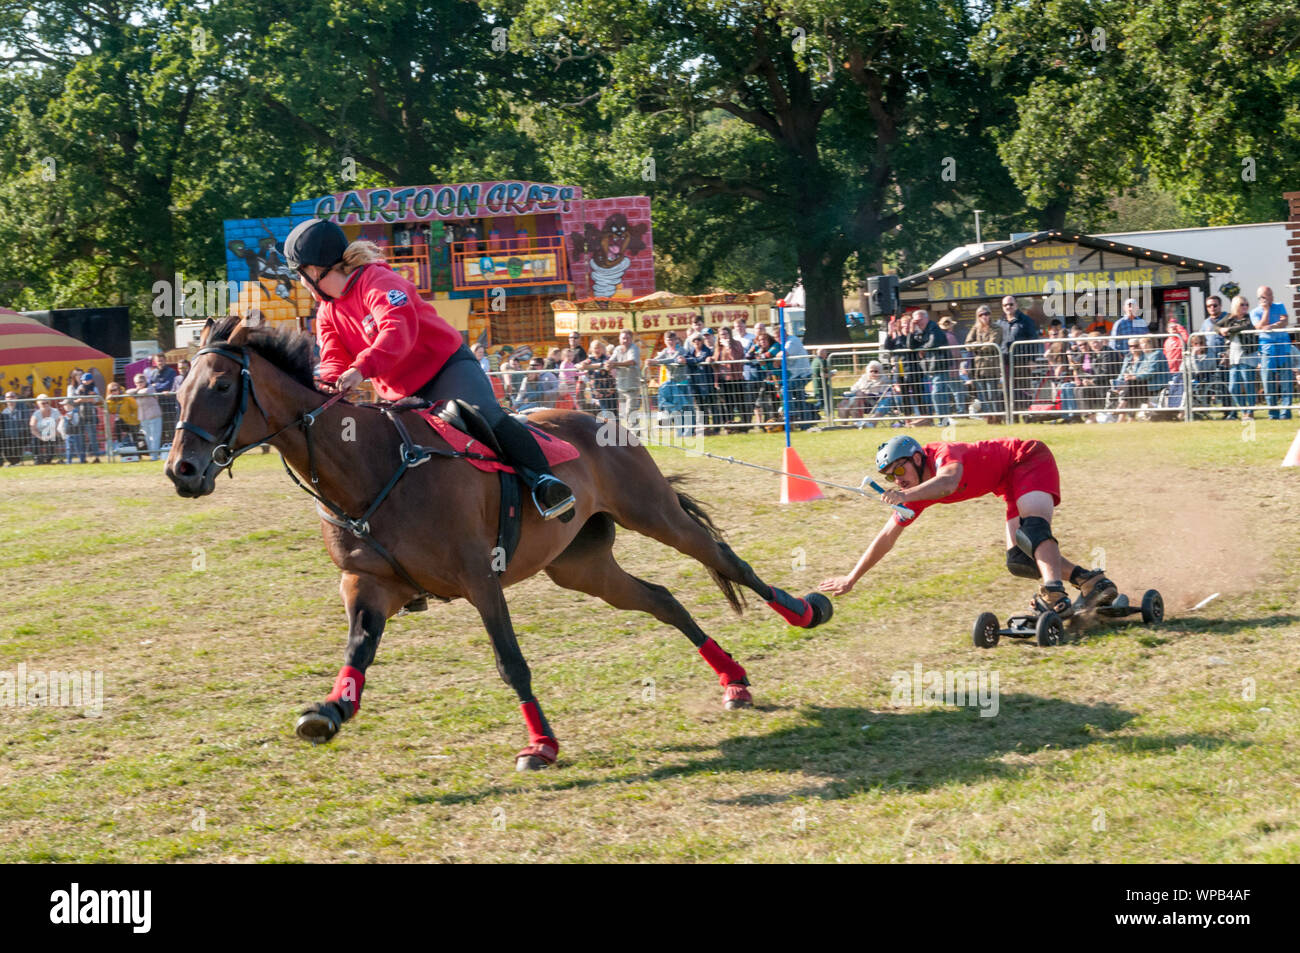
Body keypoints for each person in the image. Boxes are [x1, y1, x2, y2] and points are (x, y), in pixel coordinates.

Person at [285, 218, 575, 519]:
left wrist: (360, 368)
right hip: (400, 392)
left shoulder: (377, 280)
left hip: (445, 368)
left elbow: (397, 331)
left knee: (484, 415)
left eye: (299, 275)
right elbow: (332, 358)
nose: (302, 283)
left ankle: (546, 482)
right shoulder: (327, 312)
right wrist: (326, 384)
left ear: (313, 270)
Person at [817, 435, 1117, 619]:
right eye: (888, 476)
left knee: (1034, 531)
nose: (896, 479)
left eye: (899, 469)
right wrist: (852, 577)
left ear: (918, 458)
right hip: (1006, 483)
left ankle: (1054, 592)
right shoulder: (917, 491)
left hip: (1027, 459)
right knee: (1019, 560)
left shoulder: (943, 455)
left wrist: (904, 495)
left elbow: (948, 483)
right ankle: (1090, 581)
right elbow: (887, 536)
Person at [1252, 285, 1292, 420]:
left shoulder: (1280, 305)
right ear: (1260, 298)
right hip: (1267, 351)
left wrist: (1273, 326)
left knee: (1286, 381)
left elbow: (1284, 321)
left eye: (1270, 294)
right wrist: (1266, 310)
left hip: (1283, 348)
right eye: (1266, 295)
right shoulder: (1255, 312)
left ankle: (1286, 412)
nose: (1270, 297)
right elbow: (1259, 326)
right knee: (1268, 382)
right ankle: (1273, 413)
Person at [1220, 294, 1259, 420]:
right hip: (1233, 357)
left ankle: (1250, 411)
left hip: (1247, 355)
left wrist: (1228, 329)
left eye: (1247, 304)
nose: (1245, 307)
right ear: (1235, 306)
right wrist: (1221, 330)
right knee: (1232, 387)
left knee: (1248, 384)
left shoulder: (1249, 317)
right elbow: (1216, 326)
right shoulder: (1228, 317)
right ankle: (1244, 410)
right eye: (1242, 304)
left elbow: (1245, 326)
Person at [965, 305, 1002, 416]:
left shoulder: (997, 328)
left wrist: (976, 345)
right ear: (978, 316)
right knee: (984, 396)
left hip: (992, 367)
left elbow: (992, 345)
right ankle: (990, 418)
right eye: (981, 315)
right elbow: (967, 344)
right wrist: (978, 345)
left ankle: (997, 417)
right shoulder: (975, 328)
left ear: (990, 315)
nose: (984, 316)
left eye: (986, 314)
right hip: (979, 368)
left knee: (992, 395)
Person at [607, 329, 643, 428]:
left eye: (627, 338)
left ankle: (635, 435)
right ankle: (632, 434)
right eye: (623, 338)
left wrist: (614, 364)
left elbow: (632, 362)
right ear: (619, 339)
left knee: (630, 412)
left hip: (632, 385)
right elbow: (611, 360)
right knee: (624, 413)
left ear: (631, 339)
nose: (625, 340)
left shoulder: (634, 348)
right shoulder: (617, 349)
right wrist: (608, 364)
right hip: (621, 386)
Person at [128, 372, 163, 460]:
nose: (139, 384)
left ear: (145, 381)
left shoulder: (150, 387)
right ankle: (152, 455)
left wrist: (136, 391)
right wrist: (136, 390)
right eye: (137, 383)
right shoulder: (136, 390)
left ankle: (154, 456)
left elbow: (145, 391)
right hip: (143, 418)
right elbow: (128, 392)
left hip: (154, 416)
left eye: (141, 381)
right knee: (148, 438)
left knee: (155, 437)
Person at [580, 337, 618, 418]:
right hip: (598, 393)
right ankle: (609, 429)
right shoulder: (589, 360)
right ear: (591, 349)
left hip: (610, 391)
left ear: (602, 349)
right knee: (604, 415)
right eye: (595, 348)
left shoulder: (606, 358)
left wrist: (590, 367)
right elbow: (580, 365)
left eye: (599, 347)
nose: (597, 350)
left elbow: (606, 364)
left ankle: (616, 429)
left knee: (614, 413)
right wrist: (587, 366)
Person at [28, 394, 62, 464]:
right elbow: (33, 429)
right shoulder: (36, 414)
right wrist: (41, 437)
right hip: (40, 435)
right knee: (34, 441)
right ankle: (37, 459)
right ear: (38, 404)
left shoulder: (55, 412)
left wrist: (51, 435)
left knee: (51, 441)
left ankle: (48, 460)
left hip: (54, 434)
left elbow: (59, 426)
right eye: (43, 403)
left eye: (47, 402)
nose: (46, 405)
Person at [58, 398, 87, 464]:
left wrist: (69, 418)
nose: (63, 406)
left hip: (76, 434)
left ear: (69, 405)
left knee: (79, 448)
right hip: (69, 434)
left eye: (65, 405)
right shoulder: (68, 413)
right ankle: (69, 461)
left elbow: (76, 422)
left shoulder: (75, 412)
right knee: (68, 448)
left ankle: (82, 460)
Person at [1, 392, 26, 465]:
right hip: (7, 437)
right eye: (8, 397)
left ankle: (16, 462)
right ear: (5, 399)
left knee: (17, 447)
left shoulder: (22, 409)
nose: (10, 398)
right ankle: (12, 463)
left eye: (12, 396)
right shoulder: (4, 412)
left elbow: (25, 423)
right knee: (6, 450)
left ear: (16, 398)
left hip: (20, 435)